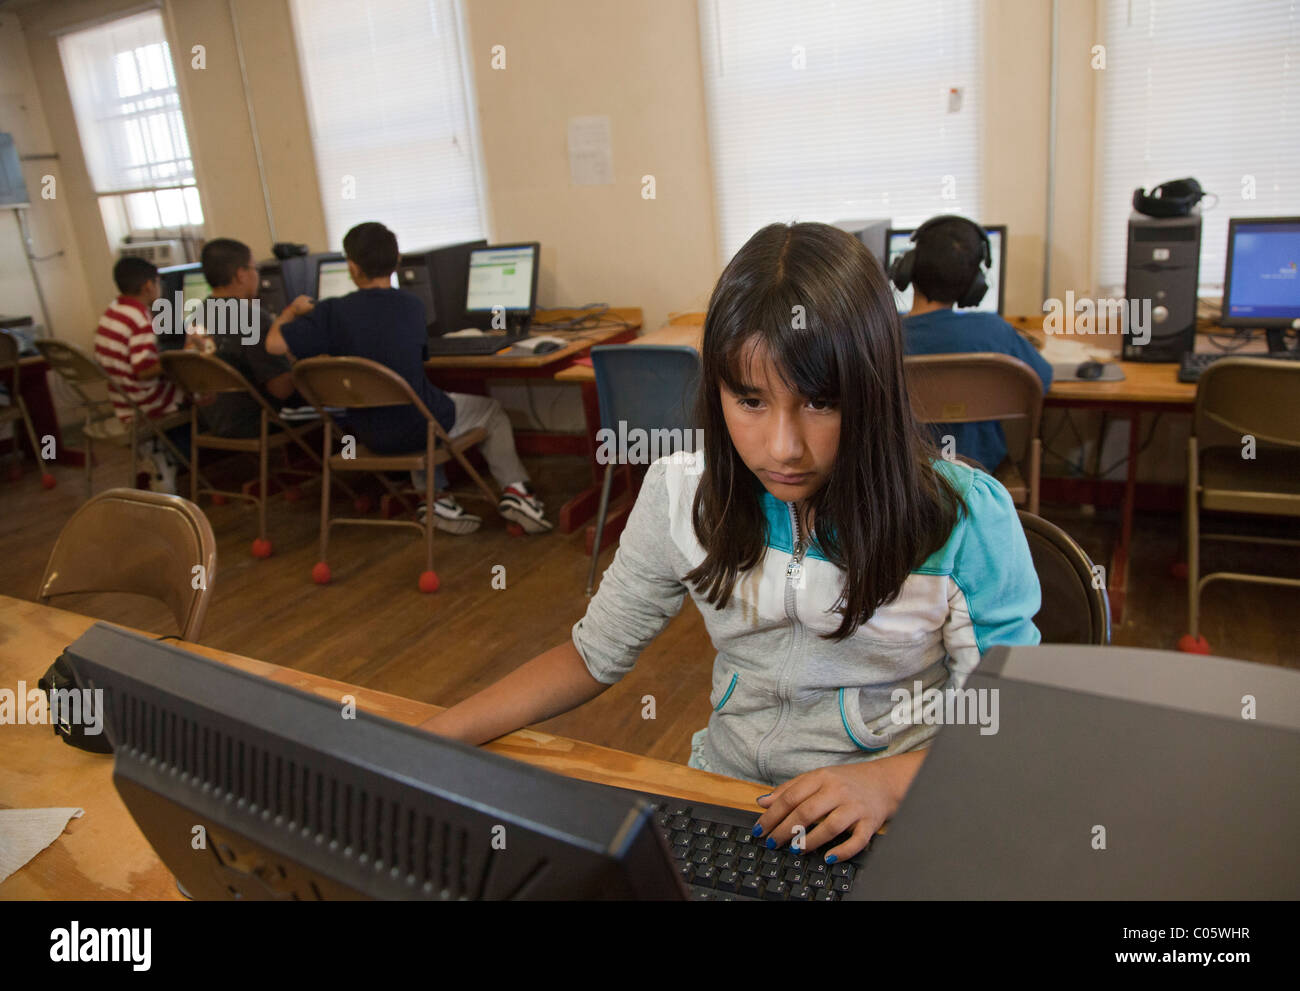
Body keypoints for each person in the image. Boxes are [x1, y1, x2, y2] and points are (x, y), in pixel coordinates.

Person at [417, 222, 1041, 865]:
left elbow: (1011, 721)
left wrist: (887, 783)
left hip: (894, 810)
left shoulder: (964, 519)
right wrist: (431, 739)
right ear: (716, 390)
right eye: (749, 399)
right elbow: (590, 656)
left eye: (821, 403)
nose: (782, 448)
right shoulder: (680, 495)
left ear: (874, 389)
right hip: (731, 799)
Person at [266, 222, 551, 535]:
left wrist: (293, 310)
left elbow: (274, 344)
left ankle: (435, 498)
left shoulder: (332, 312)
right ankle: (517, 493)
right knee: (487, 411)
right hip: (418, 429)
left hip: (367, 434)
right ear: (397, 261)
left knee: (418, 400)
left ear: (352, 267)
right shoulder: (412, 306)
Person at [897, 214, 1053, 472]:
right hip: (979, 473)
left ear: (907, 268)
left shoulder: (883, 332)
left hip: (903, 476)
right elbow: (1042, 381)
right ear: (975, 286)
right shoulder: (993, 331)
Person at [92, 256, 187, 493]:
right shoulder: (141, 318)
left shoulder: (112, 312)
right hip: (146, 403)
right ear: (148, 285)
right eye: (158, 282)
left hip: (123, 402)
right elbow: (144, 370)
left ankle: (157, 455)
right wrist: (179, 358)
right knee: (197, 391)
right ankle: (176, 459)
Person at [192, 238, 303, 437]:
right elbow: (281, 389)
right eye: (255, 268)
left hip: (214, 419)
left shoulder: (197, 314)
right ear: (241, 275)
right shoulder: (252, 318)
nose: (257, 275)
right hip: (256, 421)